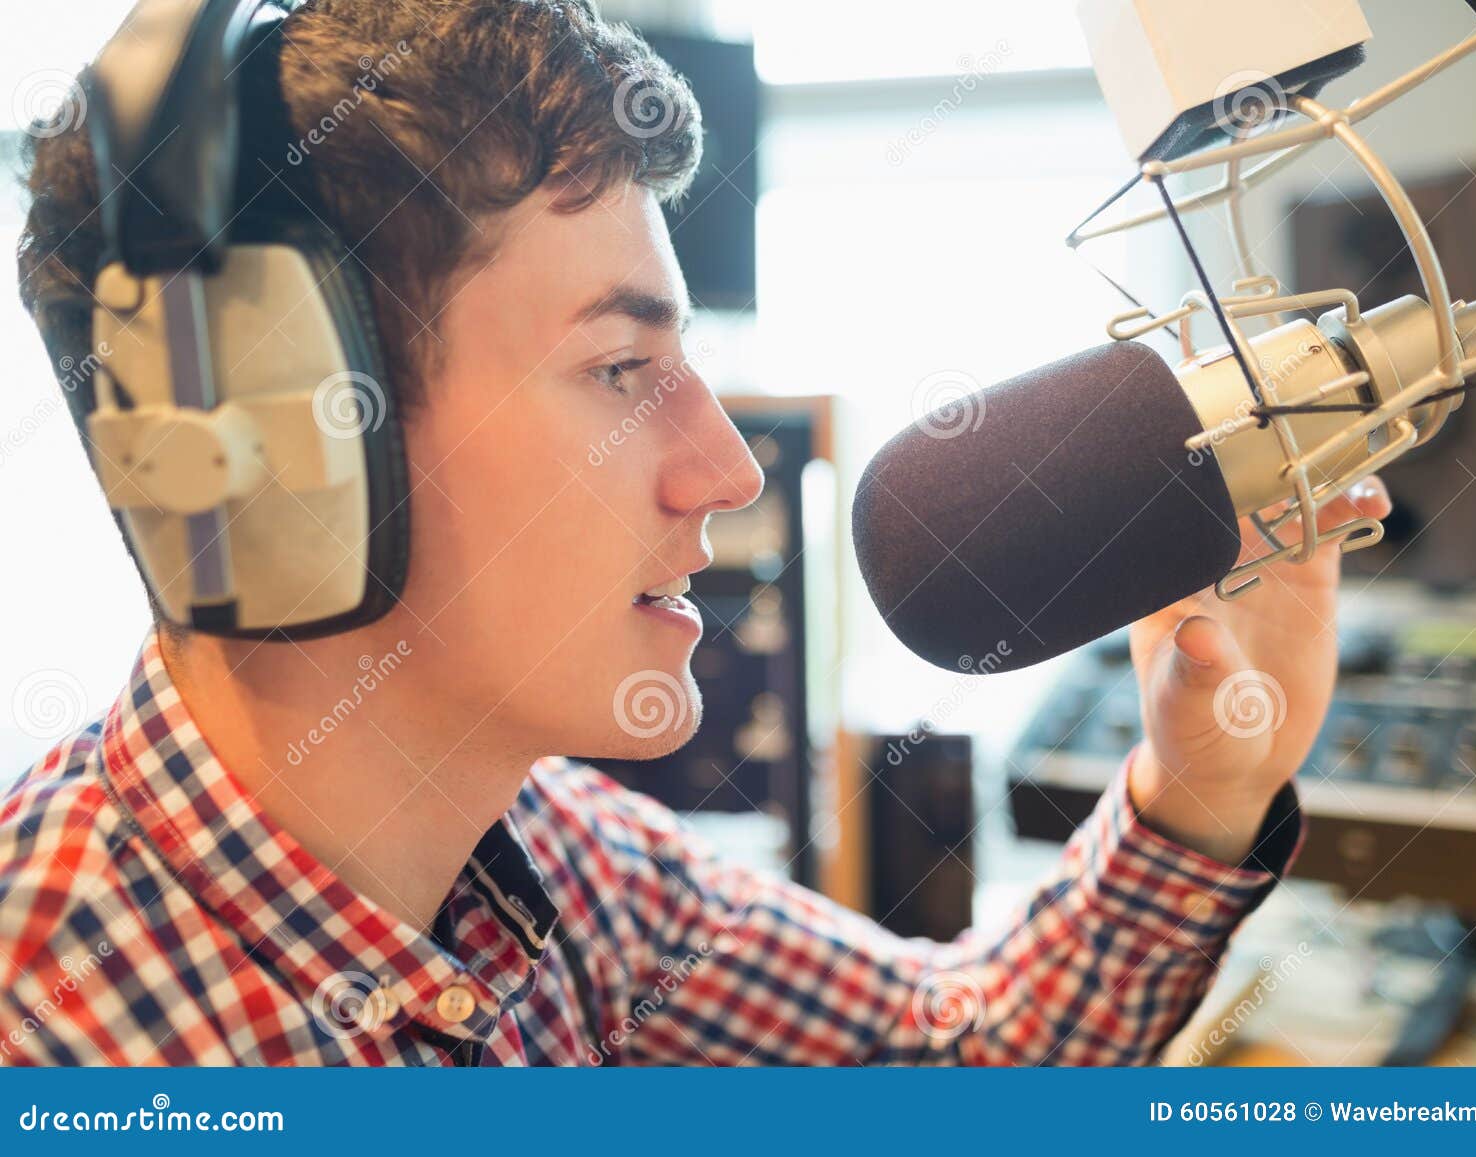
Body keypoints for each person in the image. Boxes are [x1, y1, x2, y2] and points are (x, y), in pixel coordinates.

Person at [0, 0, 1389, 1066]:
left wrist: (1203, 782)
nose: (727, 471)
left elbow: (962, 1055)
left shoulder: (562, 857)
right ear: (285, 449)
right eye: (620, 370)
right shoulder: (49, 1029)